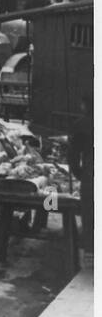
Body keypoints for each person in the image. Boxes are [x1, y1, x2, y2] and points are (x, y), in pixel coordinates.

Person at [68, 97, 93, 253]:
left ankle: (91, 258)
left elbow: (73, 156)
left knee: (90, 218)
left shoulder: (82, 124)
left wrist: (80, 175)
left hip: (91, 176)